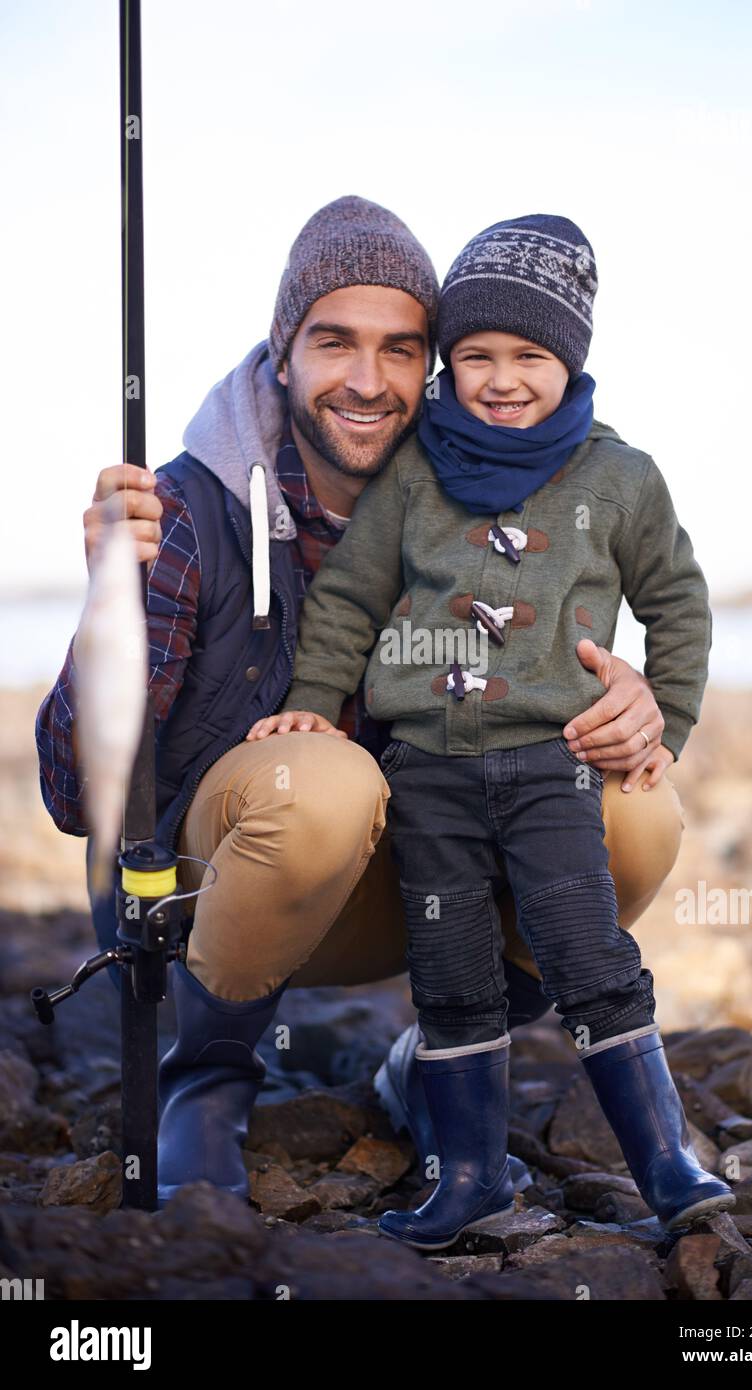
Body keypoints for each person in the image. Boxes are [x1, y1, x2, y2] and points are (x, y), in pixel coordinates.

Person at [36, 197, 685, 1210]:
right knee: (323, 780)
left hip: (425, 871)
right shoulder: (189, 506)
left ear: (431, 364)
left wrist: (632, 701)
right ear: (283, 350)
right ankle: (204, 1082)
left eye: (402, 348)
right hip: (215, 888)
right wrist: (107, 605)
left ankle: (442, 1059)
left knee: (636, 809)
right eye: (333, 341)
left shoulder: (489, 496)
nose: (368, 381)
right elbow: (80, 791)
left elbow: (567, 670)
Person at [249, 212, 734, 1248]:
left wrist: (670, 722)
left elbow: (680, 604)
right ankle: (468, 1176)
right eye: (475, 355)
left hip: (552, 765)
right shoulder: (416, 473)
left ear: (572, 361)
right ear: (449, 365)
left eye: (531, 355)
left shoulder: (621, 477)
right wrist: (310, 692)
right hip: (430, 772)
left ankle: (668, 1164)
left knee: (587, 954)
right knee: (454, 974)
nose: (502, 377)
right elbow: (349, 600)